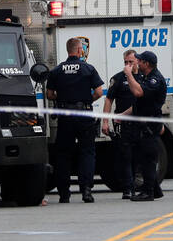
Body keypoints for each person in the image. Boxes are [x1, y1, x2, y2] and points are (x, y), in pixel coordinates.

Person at [45, 37, 104, 203]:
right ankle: (86, 191)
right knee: (87, 152)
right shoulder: (88, 68)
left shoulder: (57, 70)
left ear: (68, 50)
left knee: (63, 154)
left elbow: (50, 94)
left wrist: (63, 99)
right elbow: (99, 92)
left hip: (66, 117)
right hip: (84, 115)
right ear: (79, 50)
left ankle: (64, 193)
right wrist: (86, 101)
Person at [124, 50, 167, 201]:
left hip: (149, 124)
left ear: (146, 64)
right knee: (144, 157)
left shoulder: (155, 80)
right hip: (144, 123)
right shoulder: (146, 77)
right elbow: (138, 103)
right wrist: (122, 116)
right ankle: (155, 189)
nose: (137, 63)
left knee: (148, 159)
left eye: (140, 61)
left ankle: (148, 192)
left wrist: (128, 75)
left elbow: (138, 93)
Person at [102, 49, 138, 199]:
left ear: (137, 62)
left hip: (140, 122)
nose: (128, 65)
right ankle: (127, 188)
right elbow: (109, 100)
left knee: (138, 155)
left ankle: (138, 185)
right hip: (122, 123)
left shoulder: (142, 78)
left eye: (131, 62)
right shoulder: (117, 79)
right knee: (125, 155)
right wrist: (105, 121)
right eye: (126, 62)